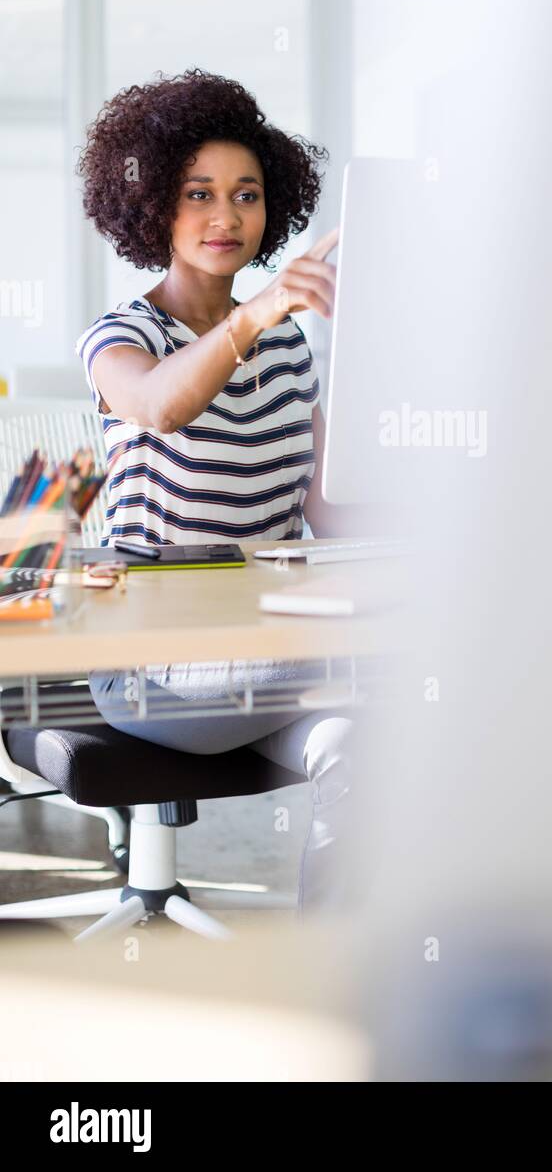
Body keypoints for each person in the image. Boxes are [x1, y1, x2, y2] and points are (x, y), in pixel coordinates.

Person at [74, 67, 371, 915]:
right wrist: (254, 315)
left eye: (246, 195)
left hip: (274, 664)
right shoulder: (122, 337)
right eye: (198, 193)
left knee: (364, 747)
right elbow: (161, 405)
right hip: (151, 667)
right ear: (153, 206)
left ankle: (335, 993)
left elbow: (328, 507)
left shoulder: (287, 352)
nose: (225, 216)